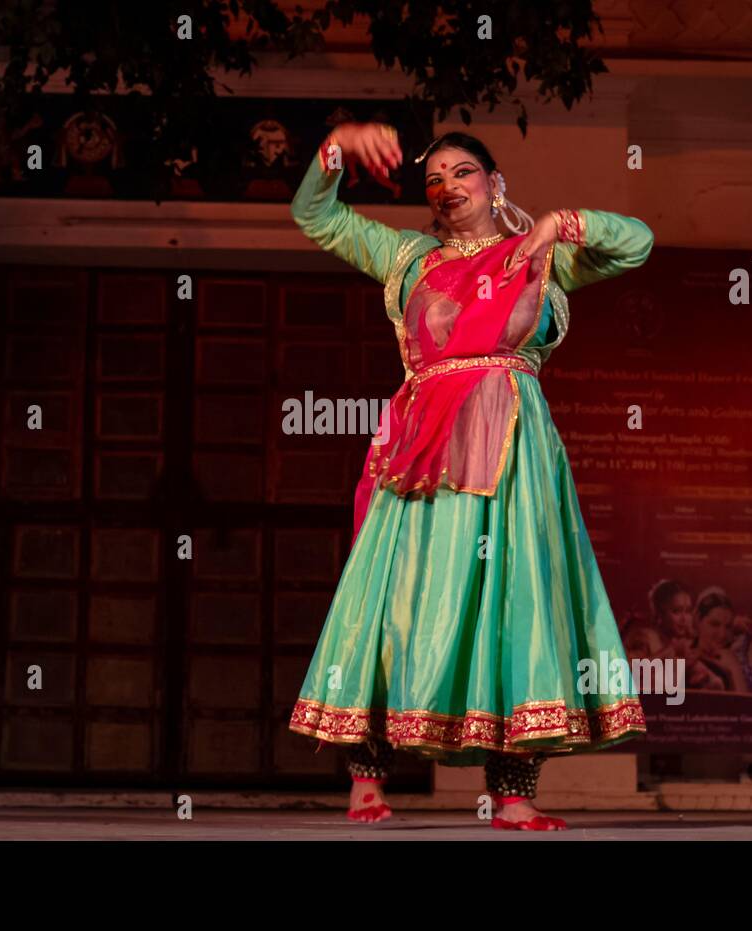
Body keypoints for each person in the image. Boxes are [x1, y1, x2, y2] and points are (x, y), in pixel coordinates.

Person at [286, 123, 654, 830]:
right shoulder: (408, 257)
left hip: (514, 452)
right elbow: (317, 216)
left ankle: (513, 791)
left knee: (517, 603)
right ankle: (366, 776)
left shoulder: (539, 255)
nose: (447, 187)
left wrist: (561, 223)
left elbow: (637, 242)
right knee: (394, 597)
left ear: (494, 181)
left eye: (462, 172)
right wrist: (334, 144)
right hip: (424, 447)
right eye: (433, 179)